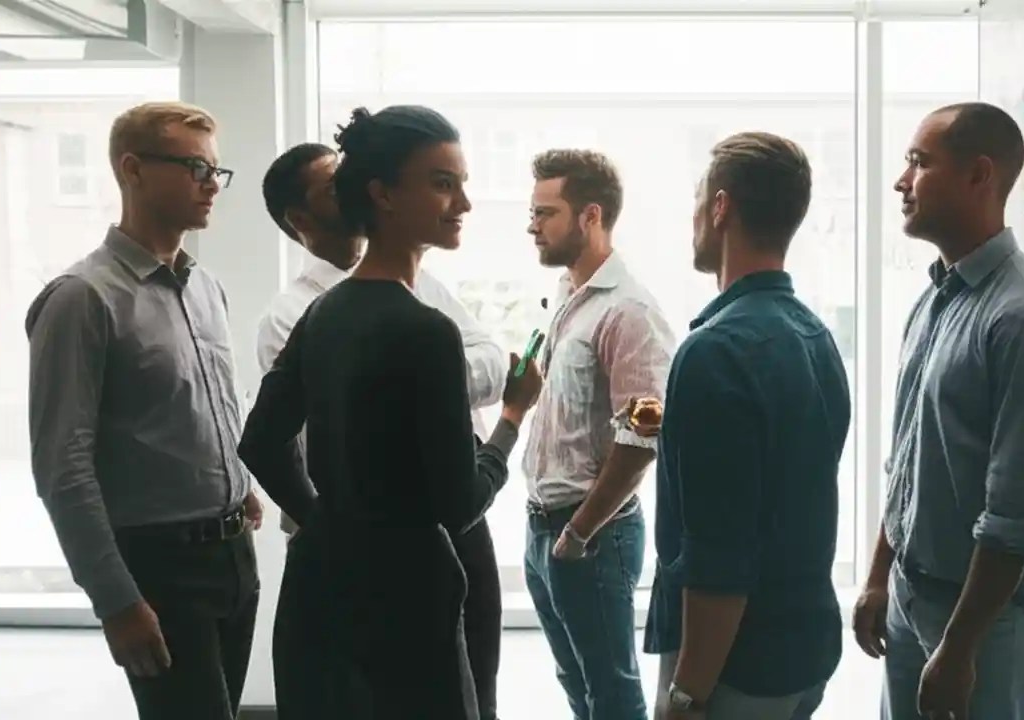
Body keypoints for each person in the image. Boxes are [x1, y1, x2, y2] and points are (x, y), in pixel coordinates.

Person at [238, 105, 543, 720]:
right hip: (409, 605)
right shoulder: (425, 329)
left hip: (323, 592)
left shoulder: (322, 314)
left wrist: (324, 524)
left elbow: (261, 443)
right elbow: (459, 503)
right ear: (382, 194)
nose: (464, 202)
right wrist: (511, 417)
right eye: (442, 183)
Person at [25, 101, 260, 720]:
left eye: (216, 170)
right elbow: (62, 466)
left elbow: (206, 407)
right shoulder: (82, 299)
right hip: (160, 568)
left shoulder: (205, 287)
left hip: (233, 555)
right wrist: (115, 601)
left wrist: (238, 482)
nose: (212, 185)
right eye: (194, 168)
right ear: (132, 169)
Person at [854, 102, 1024, 720]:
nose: (902, 181)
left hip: (989, 625)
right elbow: (908, 456)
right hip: (913, 594)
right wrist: (880, 573)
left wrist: (959, 647)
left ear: (980, 176)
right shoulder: (937, 297)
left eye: (919, 163)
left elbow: (1020, 510)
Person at [645, 132, 851, 720]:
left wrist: (685, 696)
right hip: (803, 650)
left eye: (696, 204)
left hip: (737, 666)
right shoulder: (815, 336)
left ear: (720, 207)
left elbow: (720, 555)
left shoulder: (715, 352)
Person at [522, 149, 675, 720]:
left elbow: (642, 439)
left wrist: (579, 535)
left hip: (592, 535)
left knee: (610, 691)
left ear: (590, 216)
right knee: (576, 680)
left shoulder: (629, 311)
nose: (532, 225)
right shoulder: (567, 295)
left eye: (545, 213)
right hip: (545, 528)